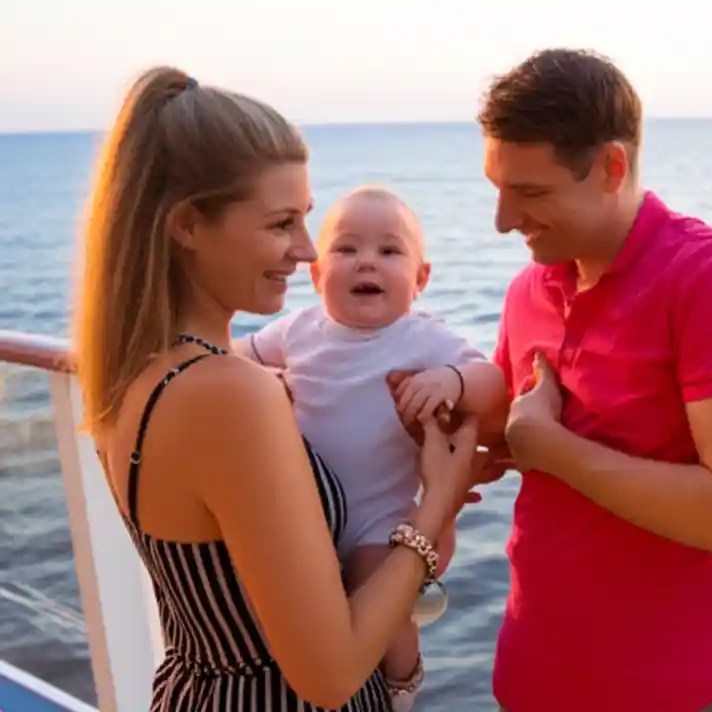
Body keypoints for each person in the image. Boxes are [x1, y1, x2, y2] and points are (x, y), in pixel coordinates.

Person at [73, 65, 490, 711]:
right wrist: (437, 503)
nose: (304, 251)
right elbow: (329, 676)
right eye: (280, 224)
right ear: (186, 224)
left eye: (305, 221)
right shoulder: (232, 395)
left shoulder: (135, 369)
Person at [477, 48, 712, 712]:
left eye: (531, 192)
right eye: (498, 188)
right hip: (532, 682)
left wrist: (554, 451)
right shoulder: (528, 290)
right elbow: (510, 429)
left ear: (612, 167)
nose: (504, 220)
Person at [231, 184, 507, 709]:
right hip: (309, 514)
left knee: (373, 585)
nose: (366, 264)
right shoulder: (298, 331)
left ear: (421, 279)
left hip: (381, 522)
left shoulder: (422, 338)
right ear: (315, 274)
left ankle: (402, 683)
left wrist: (453, 380)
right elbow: (233, 356)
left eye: (389, 251)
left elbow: (492, 379)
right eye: (346, 249)